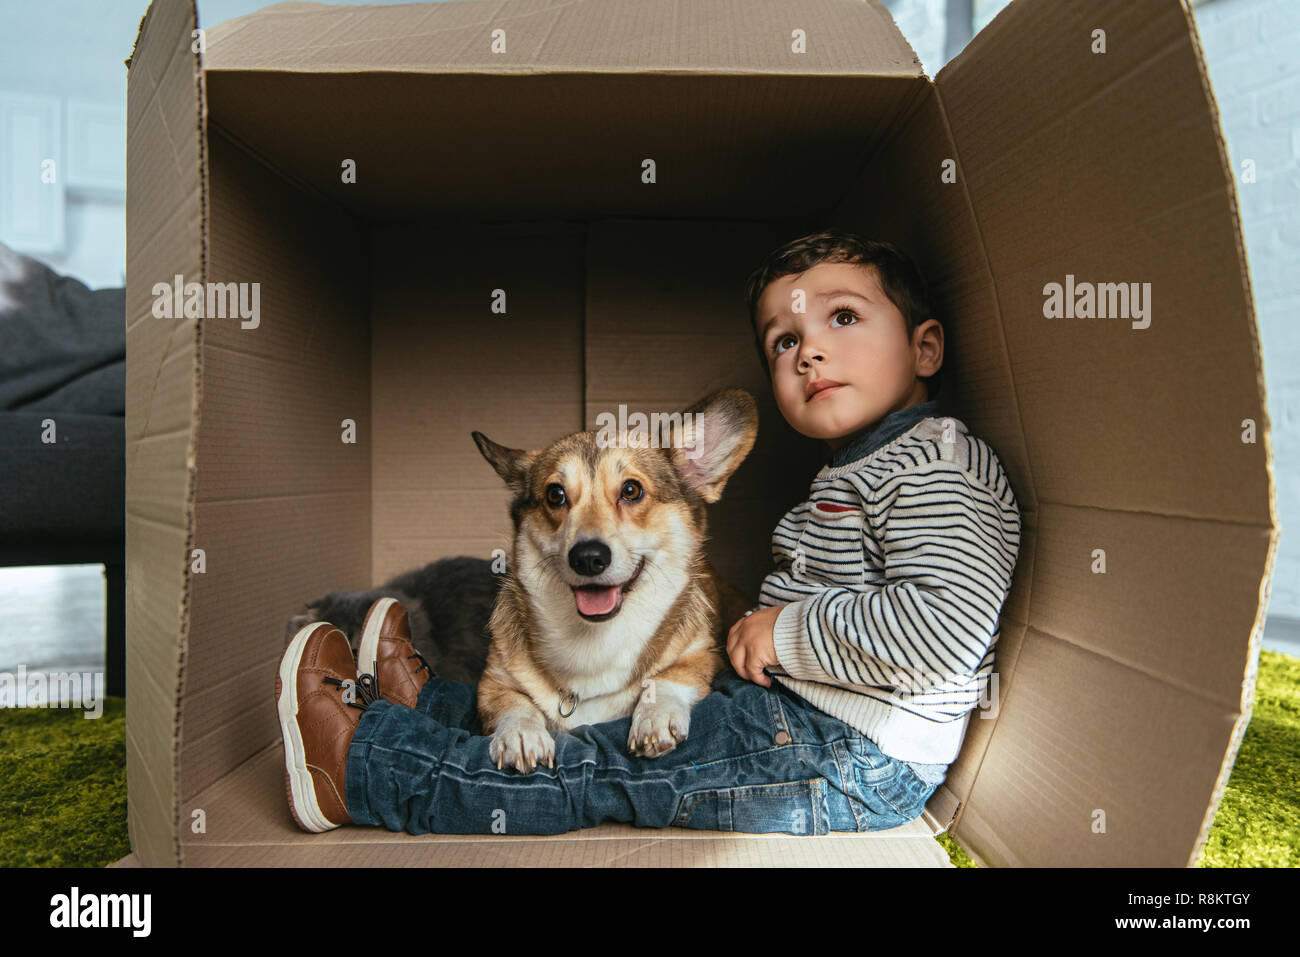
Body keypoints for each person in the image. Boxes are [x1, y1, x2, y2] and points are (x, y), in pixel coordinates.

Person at [275, 228, 1022, 836]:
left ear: (926, 347)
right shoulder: (859, 470)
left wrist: (782, 632)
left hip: (855, 754)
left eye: (843, 318)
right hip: (801, 719)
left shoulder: (937, 466)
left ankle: (364, 769)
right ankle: (427, 702)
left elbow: (943, 632)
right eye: (783, 341)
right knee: (583, 733)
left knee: (597, 771)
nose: (810, 350)